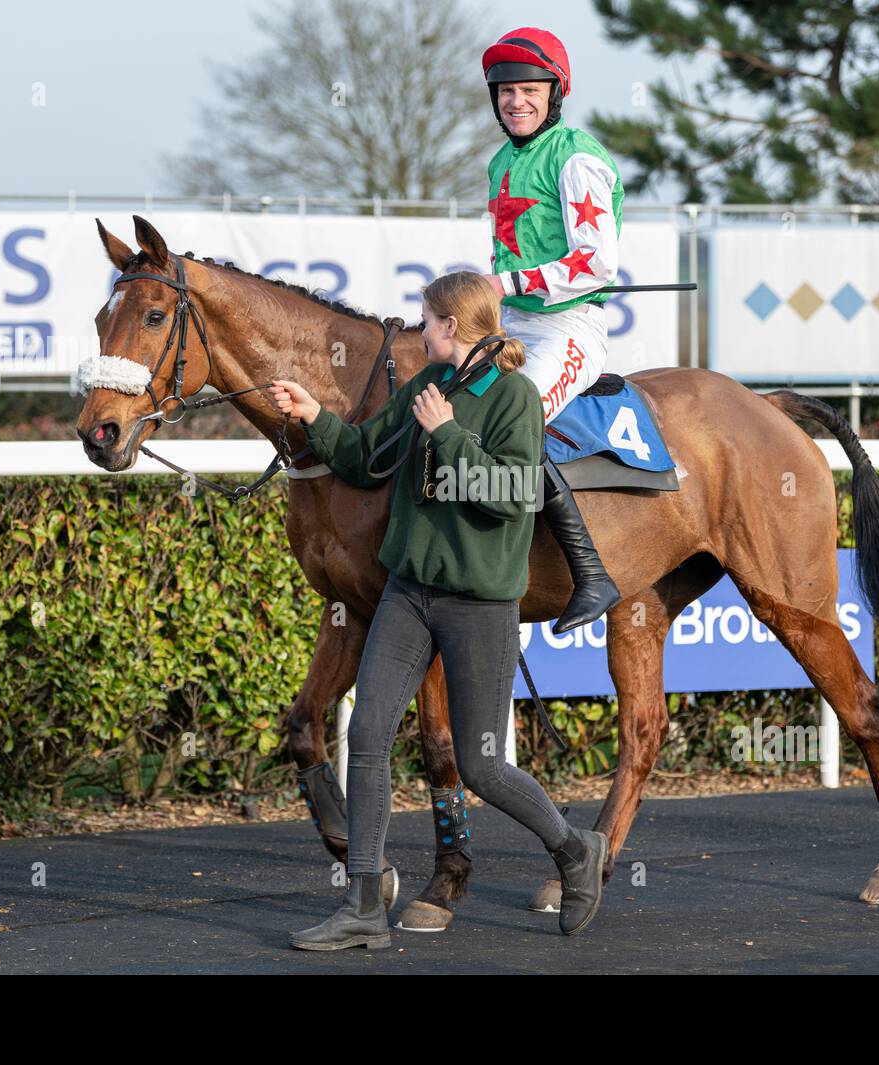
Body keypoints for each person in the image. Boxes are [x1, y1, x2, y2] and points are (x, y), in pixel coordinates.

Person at [272, 272, 608, 951]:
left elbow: (512, 494)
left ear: (452, 325)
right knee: (366, 734)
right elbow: (367, 458)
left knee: (482, 764)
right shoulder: (428, 387)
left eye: (426, 320)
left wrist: (451, 436)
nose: (418, 330)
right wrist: (315, 416)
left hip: (479, 605)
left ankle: (576, 850)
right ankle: (364, 906)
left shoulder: (513, 395)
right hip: (409, 593)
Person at [480, 26, 625, 636]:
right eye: (506, 91)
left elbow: (597, 262)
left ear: (554, 92)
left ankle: (591, 573)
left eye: (529, 89)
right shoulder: (500, 162)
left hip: (569, 328)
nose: (516, 101)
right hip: (510, 326)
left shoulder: (578, 157)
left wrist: (508, 286)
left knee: (516, 419)